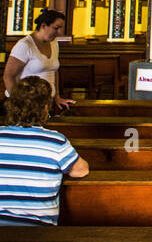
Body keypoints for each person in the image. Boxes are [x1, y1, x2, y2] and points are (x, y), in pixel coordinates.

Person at [0, 78, 89, 224]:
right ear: (45, 107)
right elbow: (81, 170)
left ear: (11, 105)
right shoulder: (55, 141)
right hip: (37, 228)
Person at [3, 10, 75, 110]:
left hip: (46, 103)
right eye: (56, 28)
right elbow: (8, 76)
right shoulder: (25, 45)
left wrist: (57, 97)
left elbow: (54, 70)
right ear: (43, 25)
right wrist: (19, 103)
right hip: (26, 104)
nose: (59, 32)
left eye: (60, 28)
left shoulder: (54, 43)